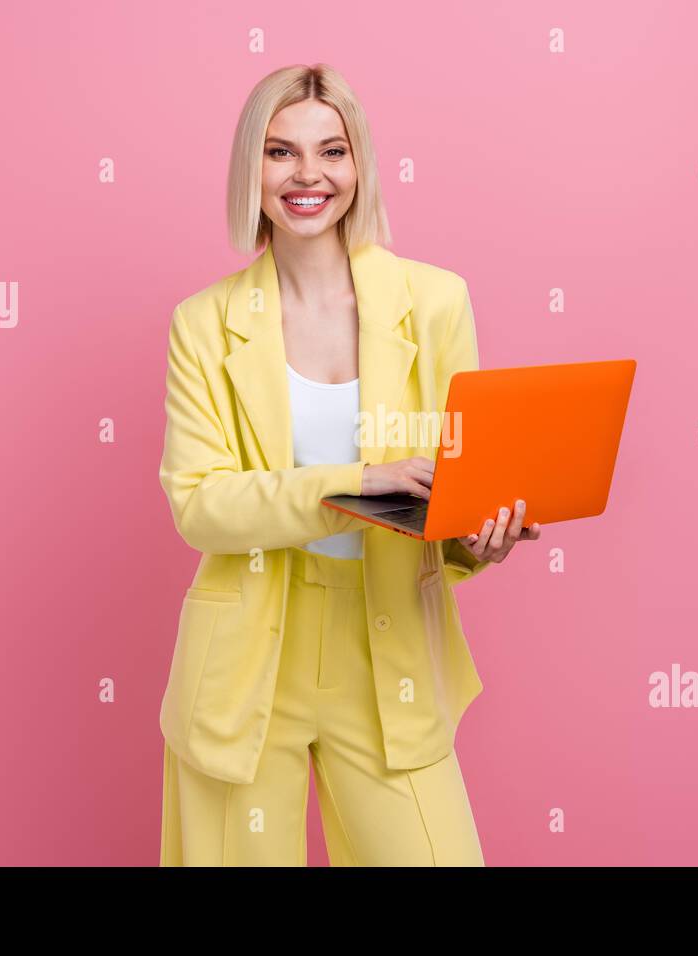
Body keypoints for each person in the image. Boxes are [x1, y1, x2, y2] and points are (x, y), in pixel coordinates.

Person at [157, 63, 538, 866]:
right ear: (249, 170)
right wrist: (352, 482)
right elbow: (201, 505)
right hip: (246, 662)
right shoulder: (202, 324)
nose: (307, 176)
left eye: (331, 151)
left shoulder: (435, 303)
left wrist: (480, 540)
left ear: (358, 166)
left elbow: (451, 489)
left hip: (388, 643)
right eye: (280, 152)